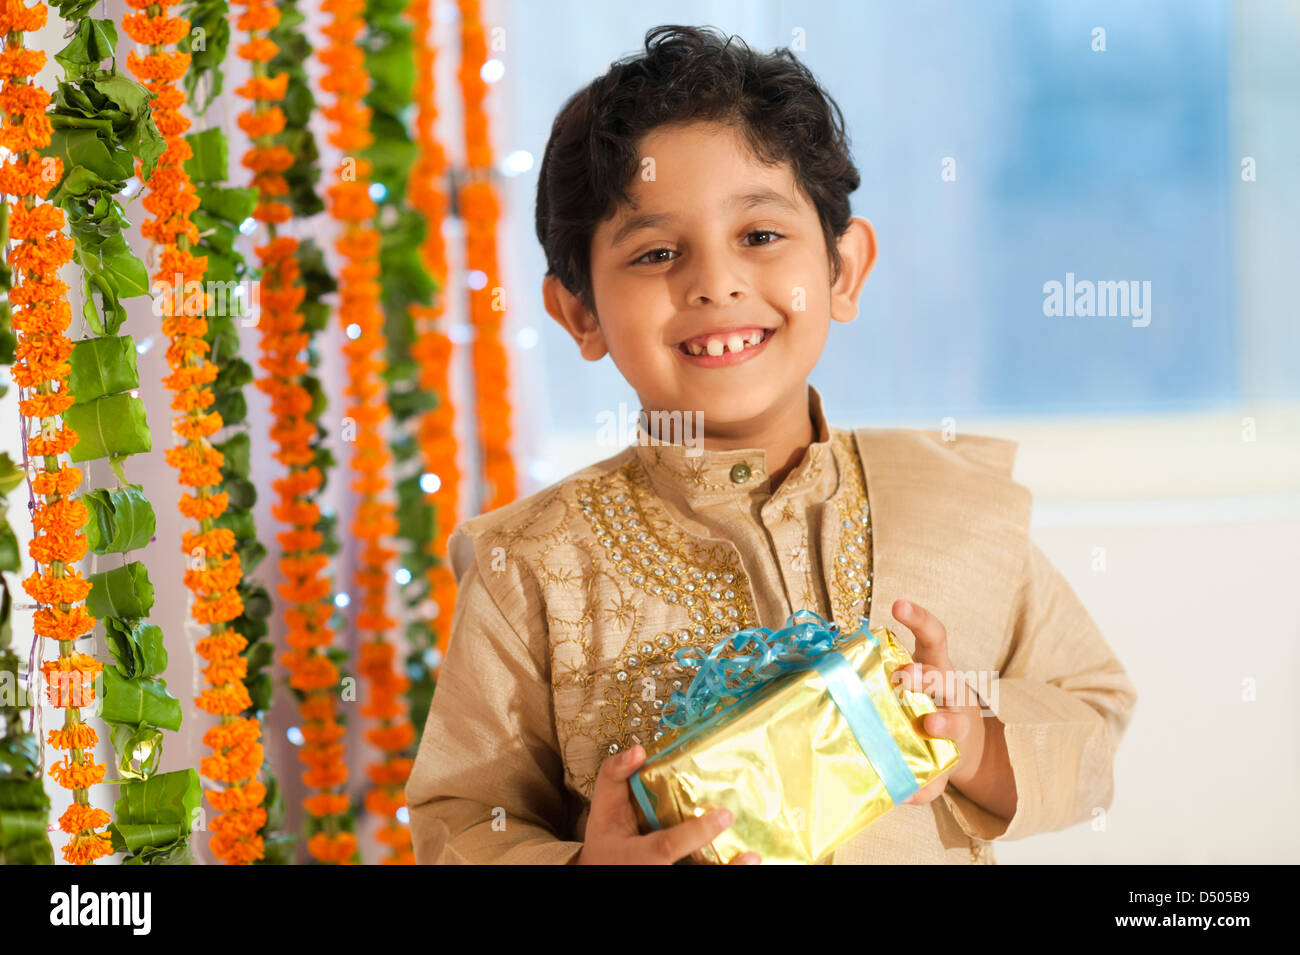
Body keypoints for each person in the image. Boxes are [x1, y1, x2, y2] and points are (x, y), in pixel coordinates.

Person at [404, 24, 1137, 864]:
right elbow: (459, 820)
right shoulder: (530, 568)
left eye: (759, 236)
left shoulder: (955, 508)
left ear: (844, 267)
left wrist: (969, 734)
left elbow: (1090, 710)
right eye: (656, 251)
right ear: (580, 313)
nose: (714, 281)